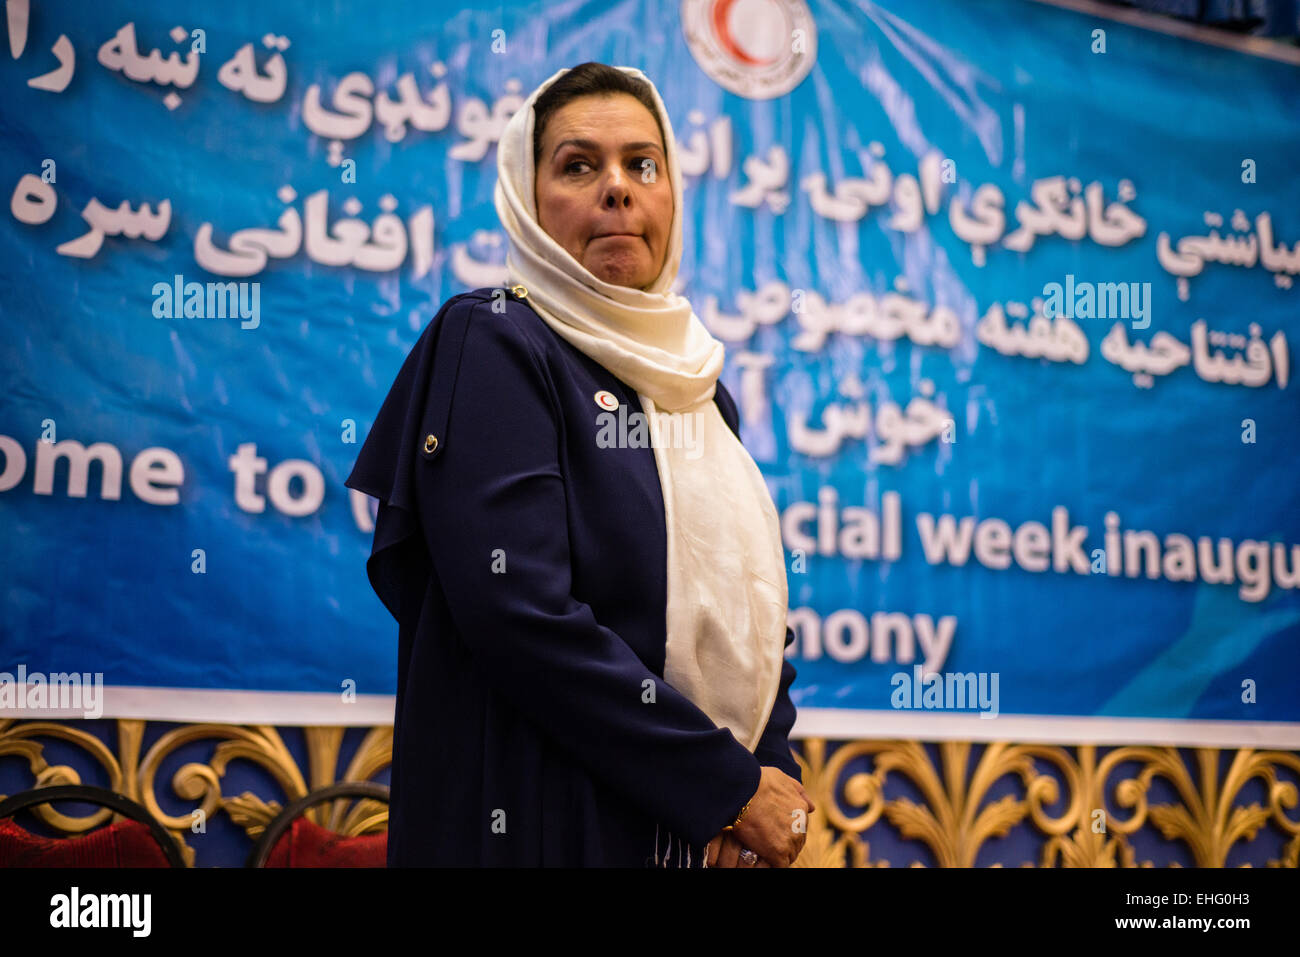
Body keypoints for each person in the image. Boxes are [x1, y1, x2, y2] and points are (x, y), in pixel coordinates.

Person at [346, 61, 813, 867]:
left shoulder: (698, 393)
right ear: (526, 201)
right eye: (577, 165)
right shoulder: (494, 341)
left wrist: (770, 774)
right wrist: (726, 785)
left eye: (642, 164)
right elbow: (520, 613)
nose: (618, 189)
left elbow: (753, 616)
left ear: (671, 193)